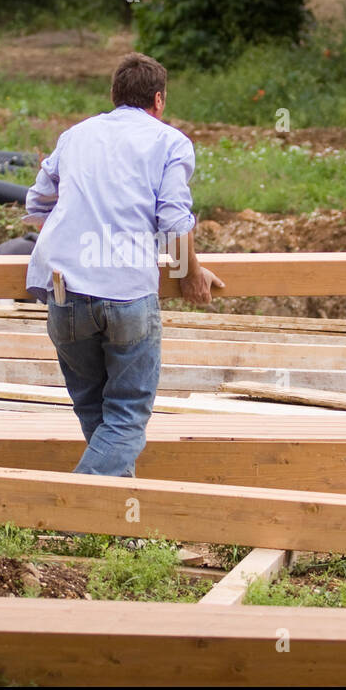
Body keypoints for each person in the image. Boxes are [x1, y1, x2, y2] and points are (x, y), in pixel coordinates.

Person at [22, 53, 223, 478]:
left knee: (95, 409)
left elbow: (38, 203)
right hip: (128, 292)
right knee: (127, 413)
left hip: (65, 290)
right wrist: (190, 273)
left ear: (114, 96)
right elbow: (172, 221)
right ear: (159, 99)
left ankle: (111, 521)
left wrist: (75, 239)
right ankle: (78, 509)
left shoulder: (75, 136)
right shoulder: (169, 142)